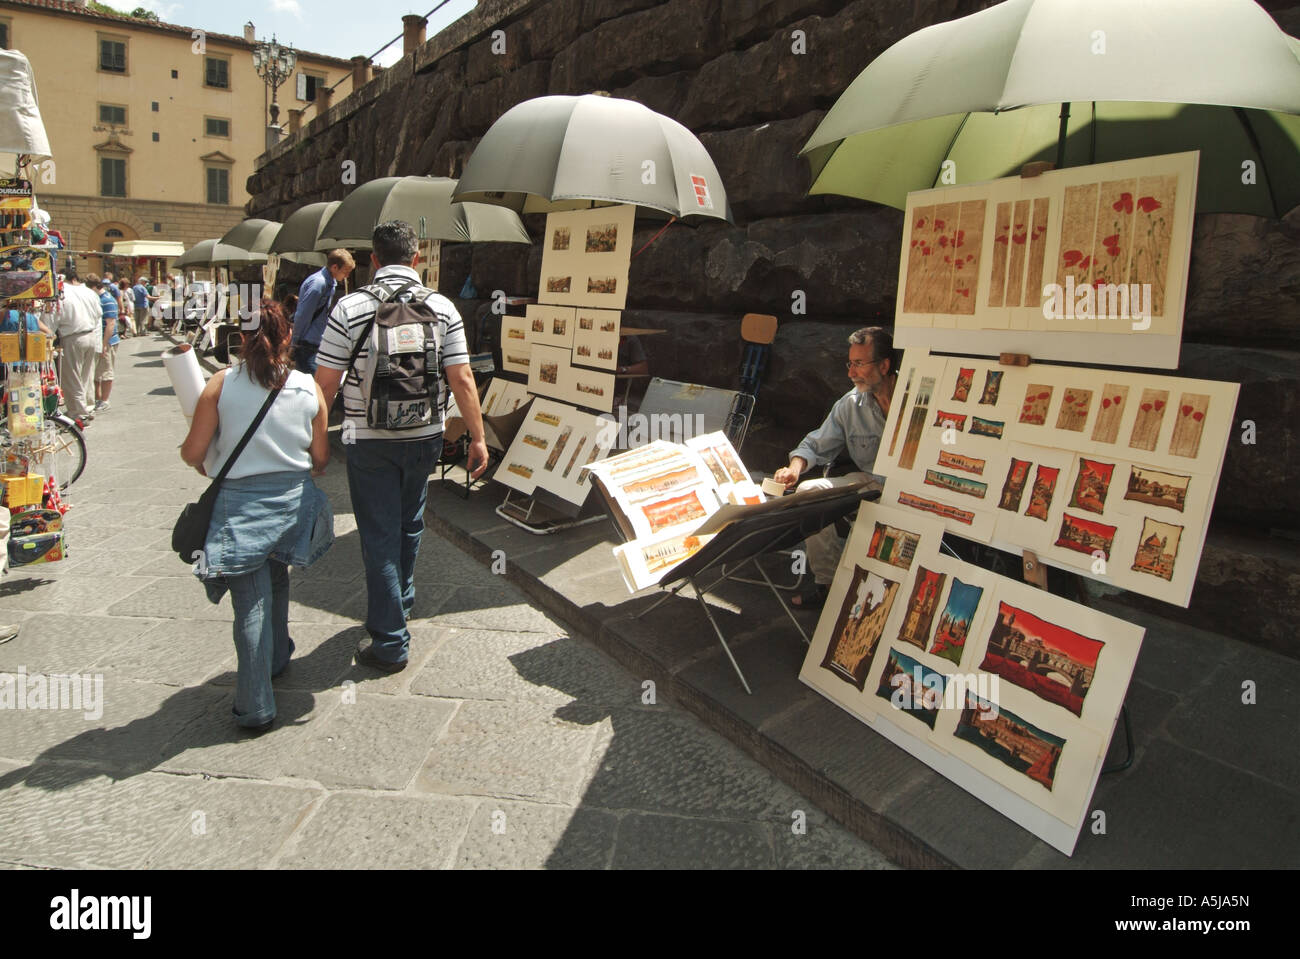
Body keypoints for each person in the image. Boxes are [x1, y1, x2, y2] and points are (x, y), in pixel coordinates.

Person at [315, 221, 487, 672]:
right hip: (426, 434)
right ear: (415, 259)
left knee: (378, 532)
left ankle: (390, 641)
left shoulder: (350, 306)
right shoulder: (443, 307)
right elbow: (462, 378)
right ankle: (402, 602)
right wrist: (479, 436)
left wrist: (316, 442)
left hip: (367, 438)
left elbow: (325, 385)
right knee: (410, 521)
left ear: (373, 260)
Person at [179, 299, 333, 731]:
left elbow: (194, 453)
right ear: (287, 337)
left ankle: (255, 705)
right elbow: (320, 457)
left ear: (240, 337)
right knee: (277, 575)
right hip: (291, 504)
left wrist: (203, 457)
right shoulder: (307, 387)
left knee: (249, 603)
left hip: (241, 509)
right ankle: (277, 656)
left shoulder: (220, 384)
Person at [773, 326, 898, 609]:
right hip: (873, 483)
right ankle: (827, 586)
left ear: (884, 365)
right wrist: (795, 468)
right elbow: (814, 445)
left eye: (859, 364)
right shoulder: (851, 404)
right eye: (849, 364)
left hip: (915, 490)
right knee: (809, 492)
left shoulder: (916, 396)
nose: (851, 372)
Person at [47, 269, 103, 422]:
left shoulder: (62, 292)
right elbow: (98, 314)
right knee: (86, 375)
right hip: (90, 334)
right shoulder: (90, 292)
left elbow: (53, 318)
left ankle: (78, 413)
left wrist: (50, 334)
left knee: (72, 378)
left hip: (73, 336)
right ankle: (86, 408)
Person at [291, 249, 354, 374]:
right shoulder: (318, 284)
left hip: (315, 342)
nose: (347, 276)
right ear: (335, 267)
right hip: (307, 344)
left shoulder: (329, 283)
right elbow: (303, 315)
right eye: (345, 272)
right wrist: (295, 342)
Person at [89, 274, 119, 412]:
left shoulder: (107, 300)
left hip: (107, 341)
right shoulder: (97, 299)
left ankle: (105, 400)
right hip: (99, 341)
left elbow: (110, 324)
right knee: (96, 373)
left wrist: (104, 344)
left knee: (106, 372)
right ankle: (98, 398)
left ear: (94, 287)